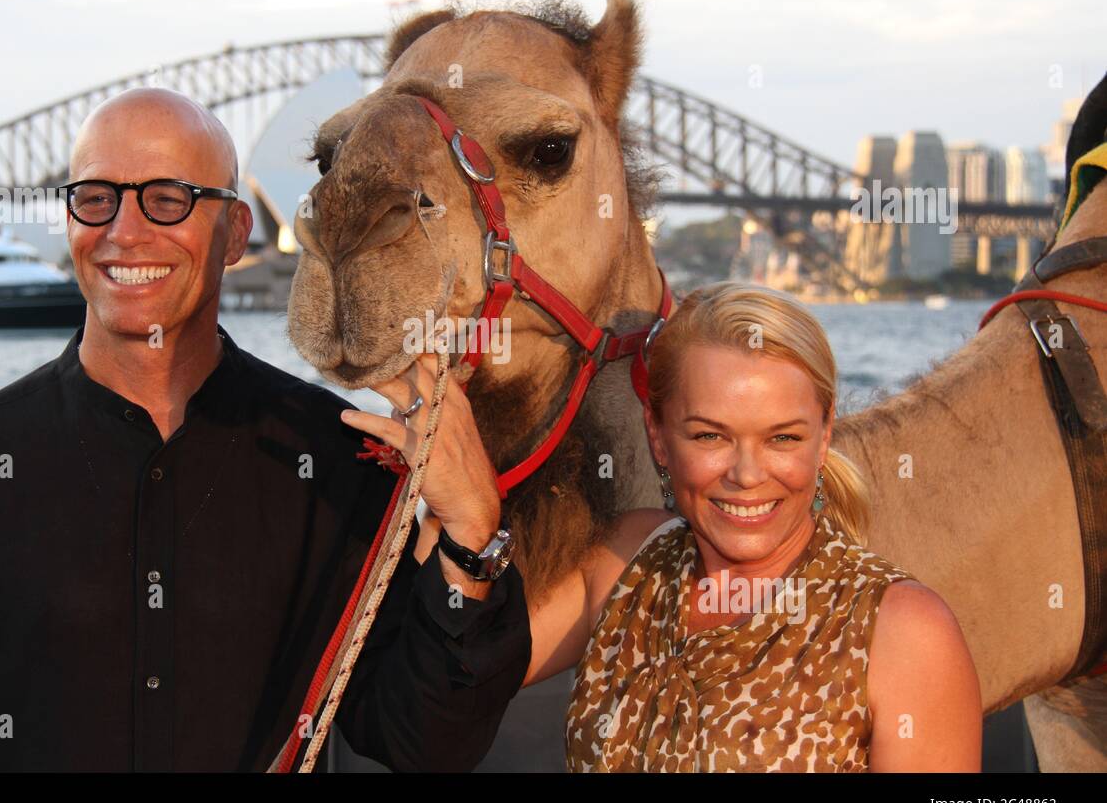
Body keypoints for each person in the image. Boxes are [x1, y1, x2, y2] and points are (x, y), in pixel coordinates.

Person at [0, 88, 530, 772]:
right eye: (95, 197)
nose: (124, 230)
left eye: (167, 198)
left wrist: (471, 531)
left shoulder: (338, 461)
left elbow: (423, 743)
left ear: (234, 232)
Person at [389, 281, 982, 771]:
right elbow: (449, 692)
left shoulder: (900, 630)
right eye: (709, 436)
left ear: (824, 436)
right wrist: (462, 513)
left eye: (783, 438)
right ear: (658, 437)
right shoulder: (626, 559)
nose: (747, 475)